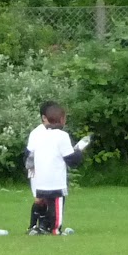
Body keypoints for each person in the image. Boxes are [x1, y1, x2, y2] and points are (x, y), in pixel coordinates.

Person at [25, 101, 91, 236]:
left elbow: (28, 155)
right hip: (54, 179)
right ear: (62, 120)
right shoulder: (62, 136)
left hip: (40, 177)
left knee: (42, 200)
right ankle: (55, 229)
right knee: (56, 204)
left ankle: (39, 227)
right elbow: (71, 160)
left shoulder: (38, 134)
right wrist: (79, 151)